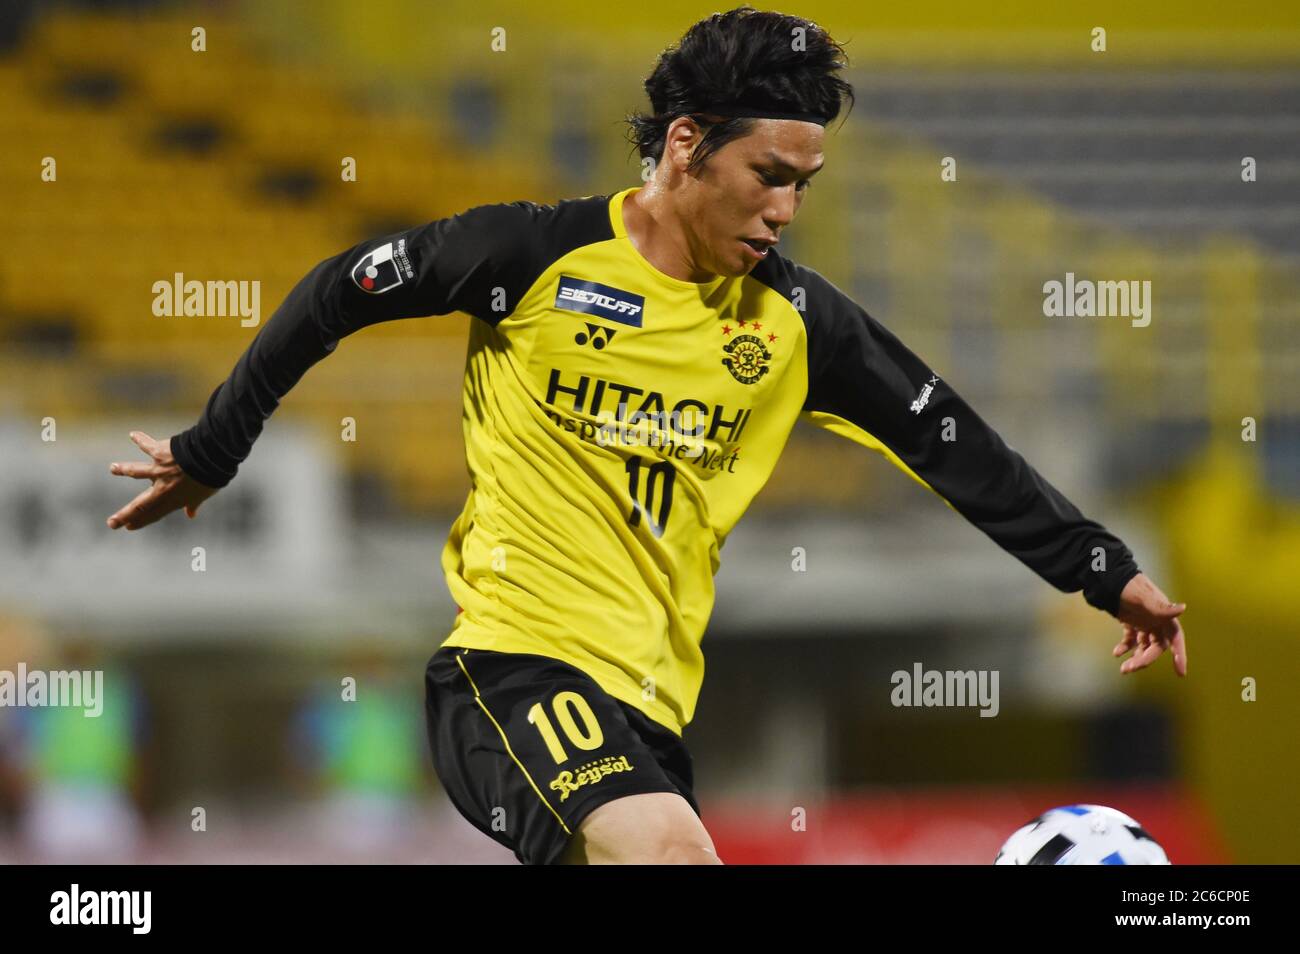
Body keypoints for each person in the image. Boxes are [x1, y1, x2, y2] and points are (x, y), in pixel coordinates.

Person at [106, 6, 1188, 865]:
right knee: (673, 859)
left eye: (803, 187)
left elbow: (948, 439)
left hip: (650, 715)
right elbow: (336, 291)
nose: (784, 212)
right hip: (510, 675)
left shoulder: (796, 323)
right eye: (767, 175)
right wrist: (213, 449)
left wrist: (1099, 567)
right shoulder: (529, 256)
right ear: (685, 146)